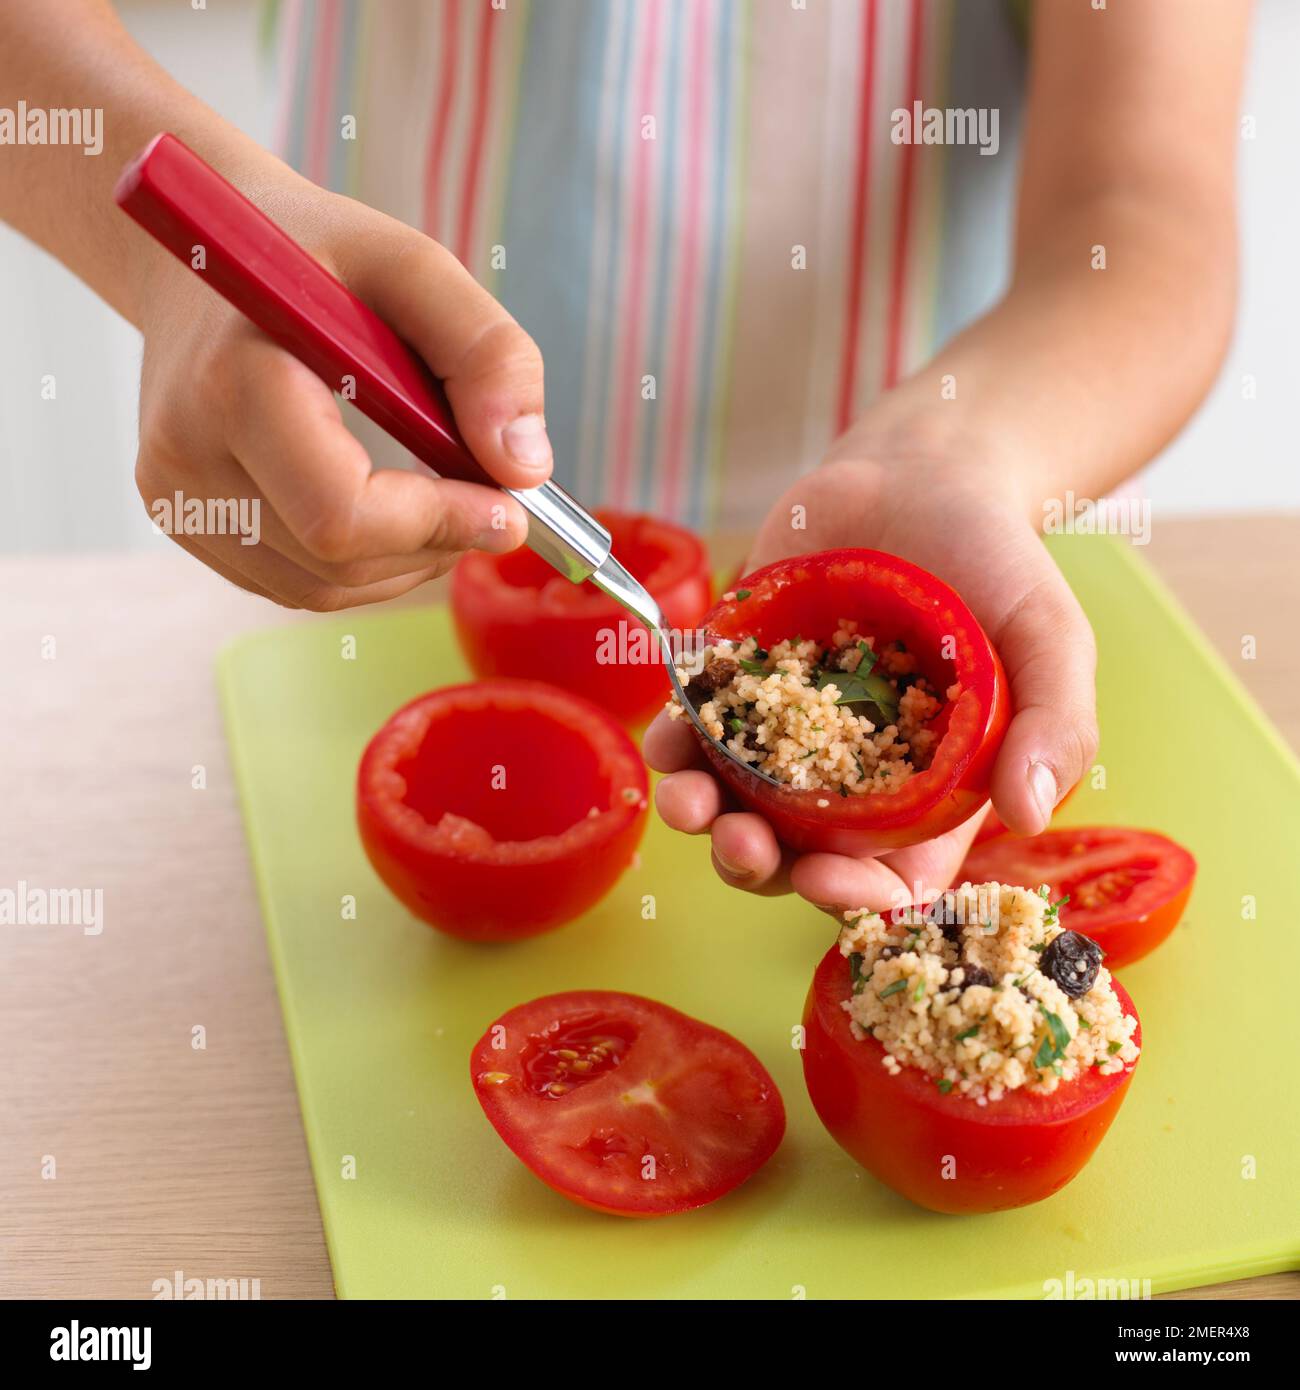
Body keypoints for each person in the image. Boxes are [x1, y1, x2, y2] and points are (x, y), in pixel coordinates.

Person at [0, 0, 1249, 912]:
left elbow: (1143, 216)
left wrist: (960, 449)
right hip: (372, 513)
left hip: (972, 487)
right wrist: (182, 258)